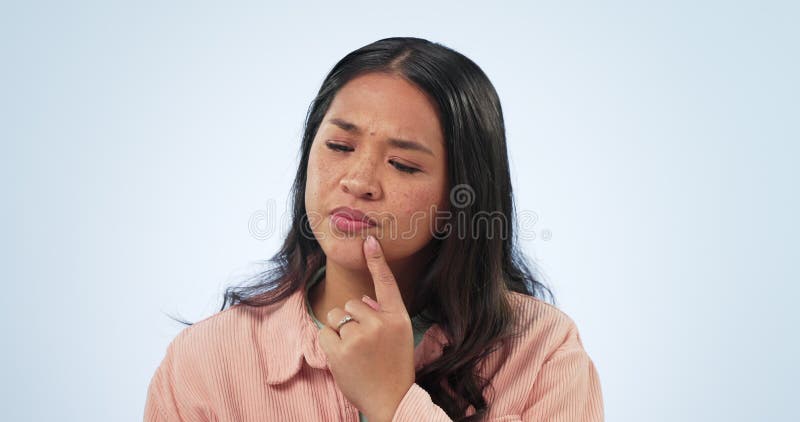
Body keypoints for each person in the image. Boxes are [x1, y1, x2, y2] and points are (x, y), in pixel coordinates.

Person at [144, 37, 603, 421]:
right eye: (339, 146)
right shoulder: (204, 361)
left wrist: (393, 402)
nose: (358, 181)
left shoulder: (543, 352)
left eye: (402, 164)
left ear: (463, 194)